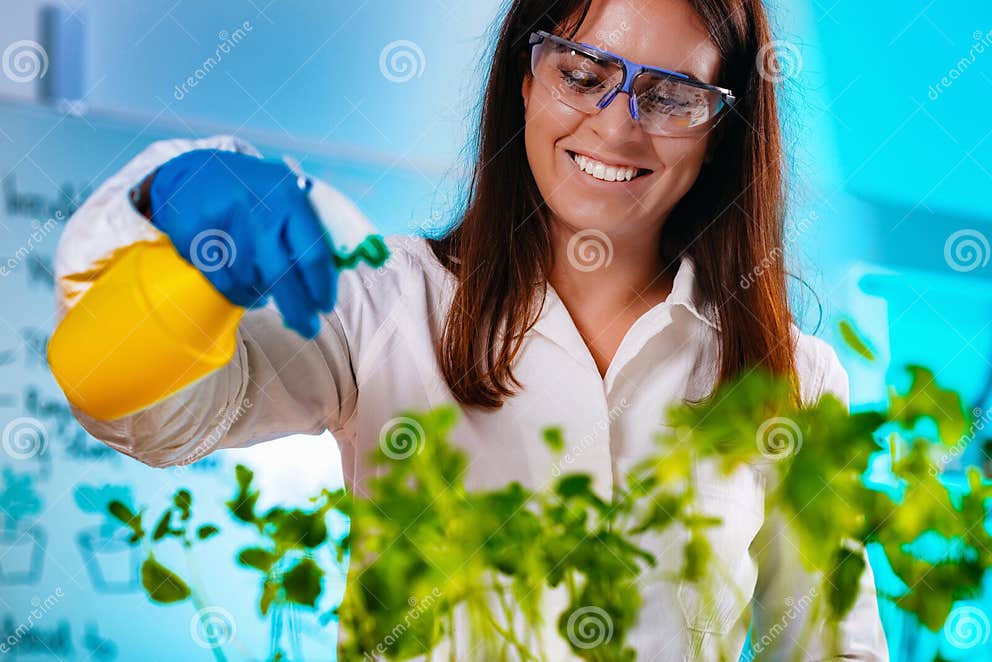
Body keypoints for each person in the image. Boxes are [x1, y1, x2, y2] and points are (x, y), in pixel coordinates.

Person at [53, 0, 888, 659]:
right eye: (583, 70)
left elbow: (827, 647)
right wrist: (168, 217)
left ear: (721, 129)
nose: (618, 121)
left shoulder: (795, 378)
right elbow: (149, 421)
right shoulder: (384, 302)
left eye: (673, 95)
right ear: (525, 79)